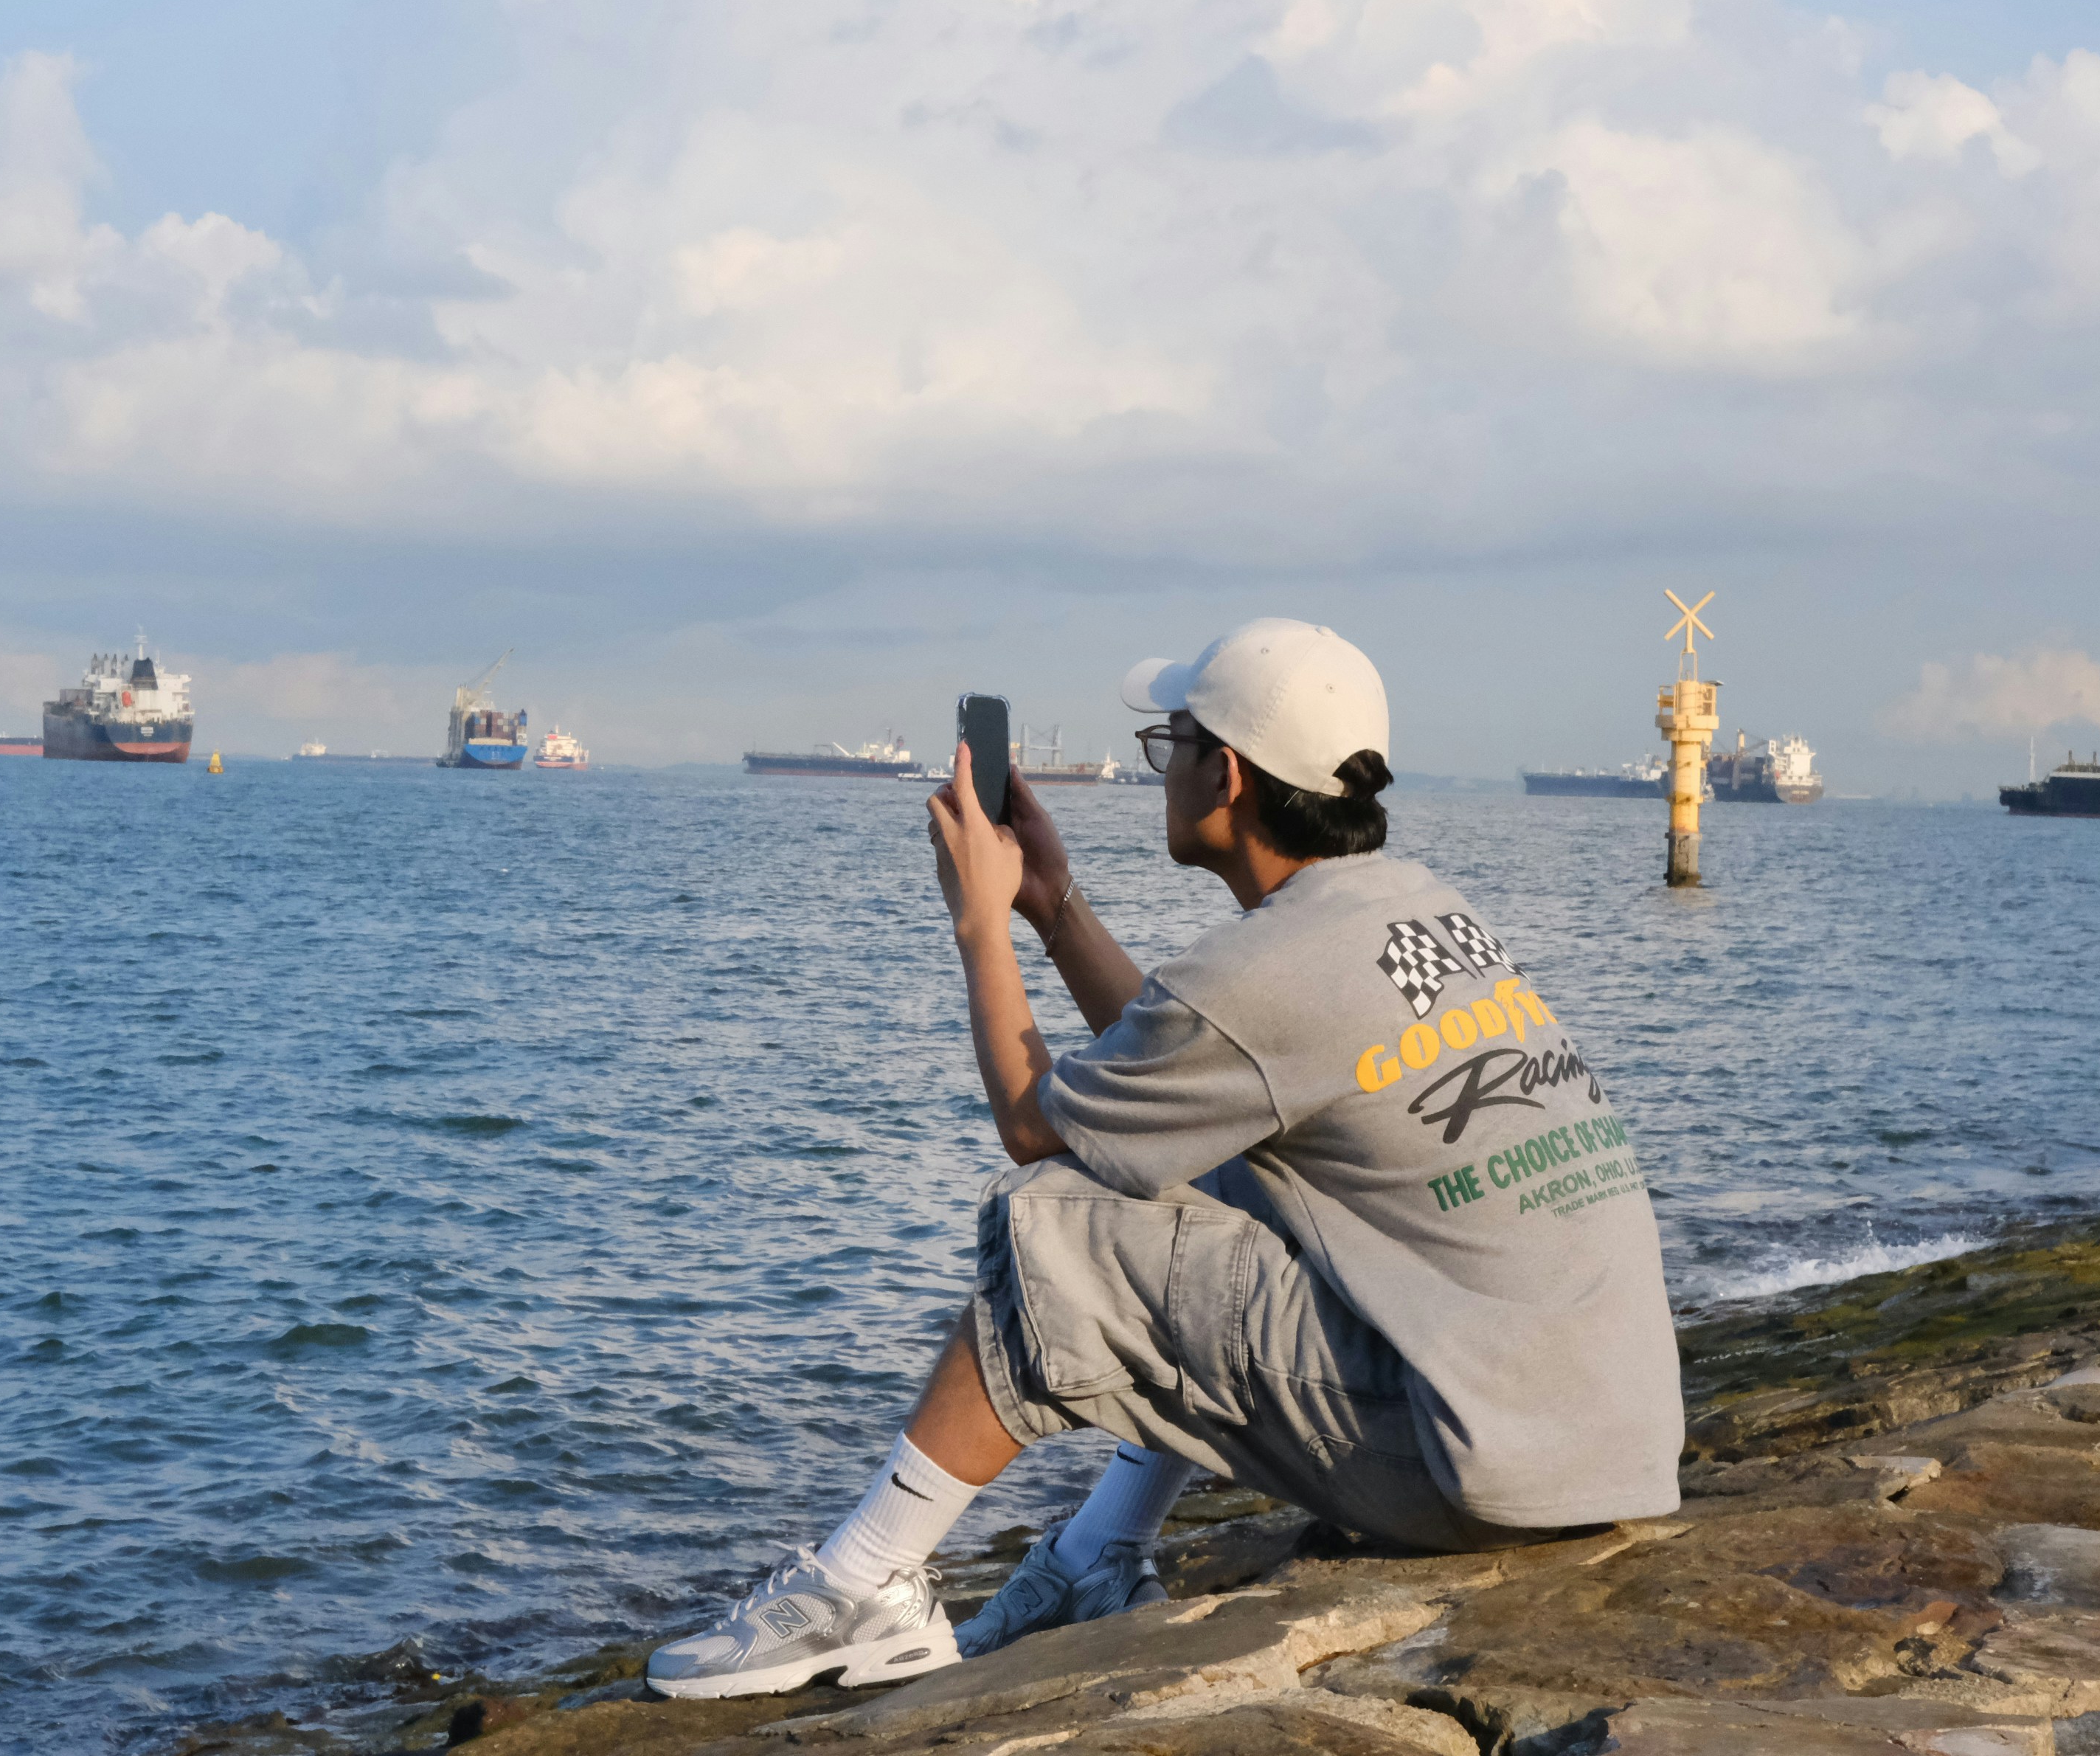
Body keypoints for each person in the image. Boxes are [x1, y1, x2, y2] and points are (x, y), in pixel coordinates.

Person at [644, 619, 1683, 1699]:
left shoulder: (1271, 966)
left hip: (1472, 1471)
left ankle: (864, 1588)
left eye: (1170, 741)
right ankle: (1099, 1551)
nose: (1164, 765)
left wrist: (982, 924)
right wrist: (1052, 908)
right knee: (1201, 1172)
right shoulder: (1422, 908)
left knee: (1056, 1220)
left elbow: (1035, 1126)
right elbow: (1176, 1080)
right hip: (1600, 1449)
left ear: (1224, 774)